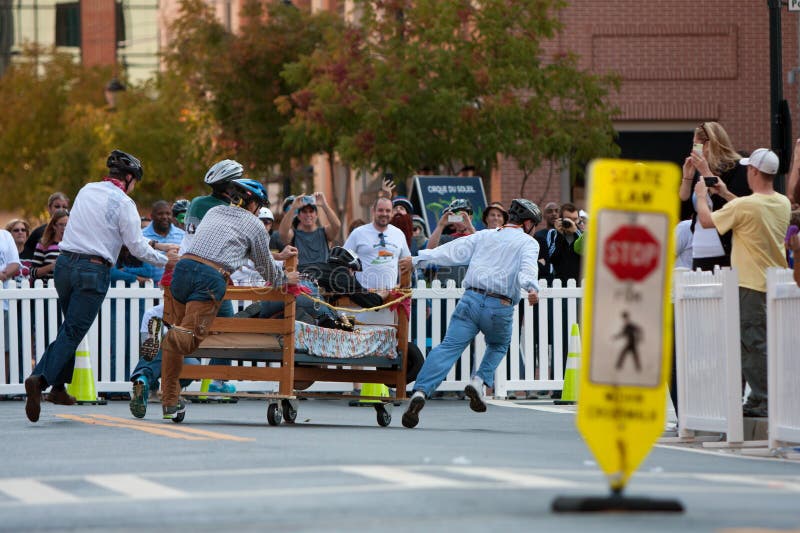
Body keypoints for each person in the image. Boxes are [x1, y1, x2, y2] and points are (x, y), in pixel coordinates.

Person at [23, 149, 179, 423]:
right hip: (92, 270)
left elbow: (112, 234)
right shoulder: (124, 203)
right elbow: (135, 246)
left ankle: (58, 388)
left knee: (68, 328)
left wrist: (157, 246)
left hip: (65, 265)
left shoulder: (87, 190)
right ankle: (41, 379)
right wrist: (167, 260)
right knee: (72, 331)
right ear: (129, 178)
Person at [158, 178, 300, 420]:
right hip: (210, 276)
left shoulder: (214, 212)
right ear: (253, 203)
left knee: (179, 338)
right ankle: (165, 334)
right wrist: (287, 279)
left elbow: (230, 249)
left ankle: (170, 400)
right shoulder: (254, 225)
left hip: (183, 269)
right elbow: (266, 268)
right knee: (189, 339)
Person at [399, 198, 542, 428]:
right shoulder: (528, 243)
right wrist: (532, 288)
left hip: (471, 299)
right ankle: (478, 381)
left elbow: (450, 252)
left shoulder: (485, 235)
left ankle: (420, 392)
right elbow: (527, 269)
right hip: (500, 304)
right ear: (527, 223)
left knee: (447, 347)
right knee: (498, 345)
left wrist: (416, 259)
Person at [695, 148, 790, 418]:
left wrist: (702, 197)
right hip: (773, 281)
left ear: (754, 171)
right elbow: (750, 212)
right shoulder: (780, 202)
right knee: (762, 342)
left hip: (749, 284)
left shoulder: (746, 205)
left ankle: (761, 401)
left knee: (752, 344)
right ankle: (762, 399)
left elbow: (706, 221)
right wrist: (725, 192)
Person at [679, 122, 750, 271]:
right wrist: (687, 178)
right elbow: (684, 212)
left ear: (709, 144)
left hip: (725, 249)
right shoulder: (699, 171)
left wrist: (706, 172)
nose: (693, 151)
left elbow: (734, 207)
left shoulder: (737, 168)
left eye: (696, 146)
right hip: (699, 249)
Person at [343, 197, 411, 291]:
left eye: (388, 211)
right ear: (373, 211)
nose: (384, 214)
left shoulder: (398, 234)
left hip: (390, 296)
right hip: (363, 296)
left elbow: (406, 263)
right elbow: (343, 260)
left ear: (392, 213)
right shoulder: (358, 233)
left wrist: (402, 286)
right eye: (380, 210)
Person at [278, 192, 341, 270]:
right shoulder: (294, 235)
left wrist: (324, 204)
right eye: (304, 211)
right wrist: (293, 208)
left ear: (316, 215)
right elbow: (282, 233)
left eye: (311, 211)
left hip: (323, 278)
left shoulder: (325, 232)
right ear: (298, 216)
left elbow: (337, 225)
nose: (308, 214)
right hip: (302, 279)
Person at [142, 200, 185, 284]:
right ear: (152, 216)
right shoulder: (141, 235)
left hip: (174, 288)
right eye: (160, 214)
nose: (165, 217)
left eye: (168, 214)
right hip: (147, 288)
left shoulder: (182, 235)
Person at [21, 192, 70, 260]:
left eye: (64, 207)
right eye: (57, 206)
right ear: (49, 209)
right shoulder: (38, 232)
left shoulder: (73, 232)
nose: (61, 209)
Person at [545, 202, 583, 285]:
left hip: (579, 285)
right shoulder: (552, 233)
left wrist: (576, 232)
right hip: (558, 285)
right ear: (560, 219)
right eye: (569, 219)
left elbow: (585, 254)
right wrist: (559, 234)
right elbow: (551, 257)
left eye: (575, 219)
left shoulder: (581, 235)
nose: (572, 222)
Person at [29, 209, 69, 282]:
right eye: (60, 224)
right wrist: (52, 266)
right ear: (54, 226)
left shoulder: (74, 246)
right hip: (47, 289)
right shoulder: (44, 244)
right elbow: (32, 273)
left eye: (67, 225)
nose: (64, 228)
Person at [534, 202, 559, 283]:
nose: (554, 214)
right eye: (550, 211)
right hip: (543, 281)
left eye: (556, 211)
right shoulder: (537, 236)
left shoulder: (565, 236)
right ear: (544, 215)